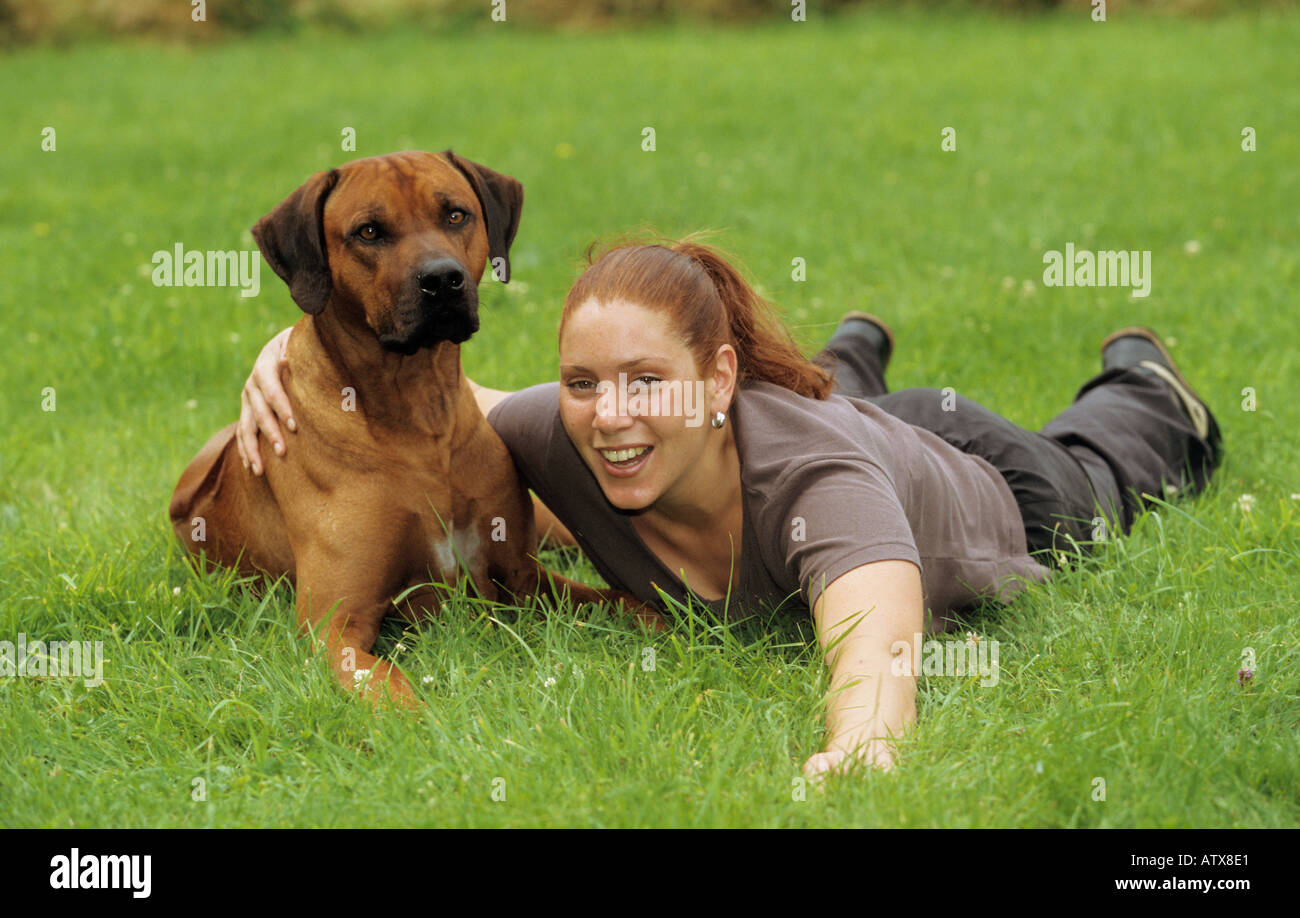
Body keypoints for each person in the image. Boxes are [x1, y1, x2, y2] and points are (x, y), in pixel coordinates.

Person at [235, 239, 1223, 776]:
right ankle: (847, 358)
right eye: (582, 380)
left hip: (991, 478)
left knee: (1097, 478)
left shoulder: (819, 495)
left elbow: (875, 646)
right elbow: (420, 406)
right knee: (813, 402)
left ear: (714, 378)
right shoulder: (560, 430)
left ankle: (1141, 383)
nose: (610, 418)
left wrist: (863, 745)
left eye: (642, 381)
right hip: (815, 421)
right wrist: (281, 355)